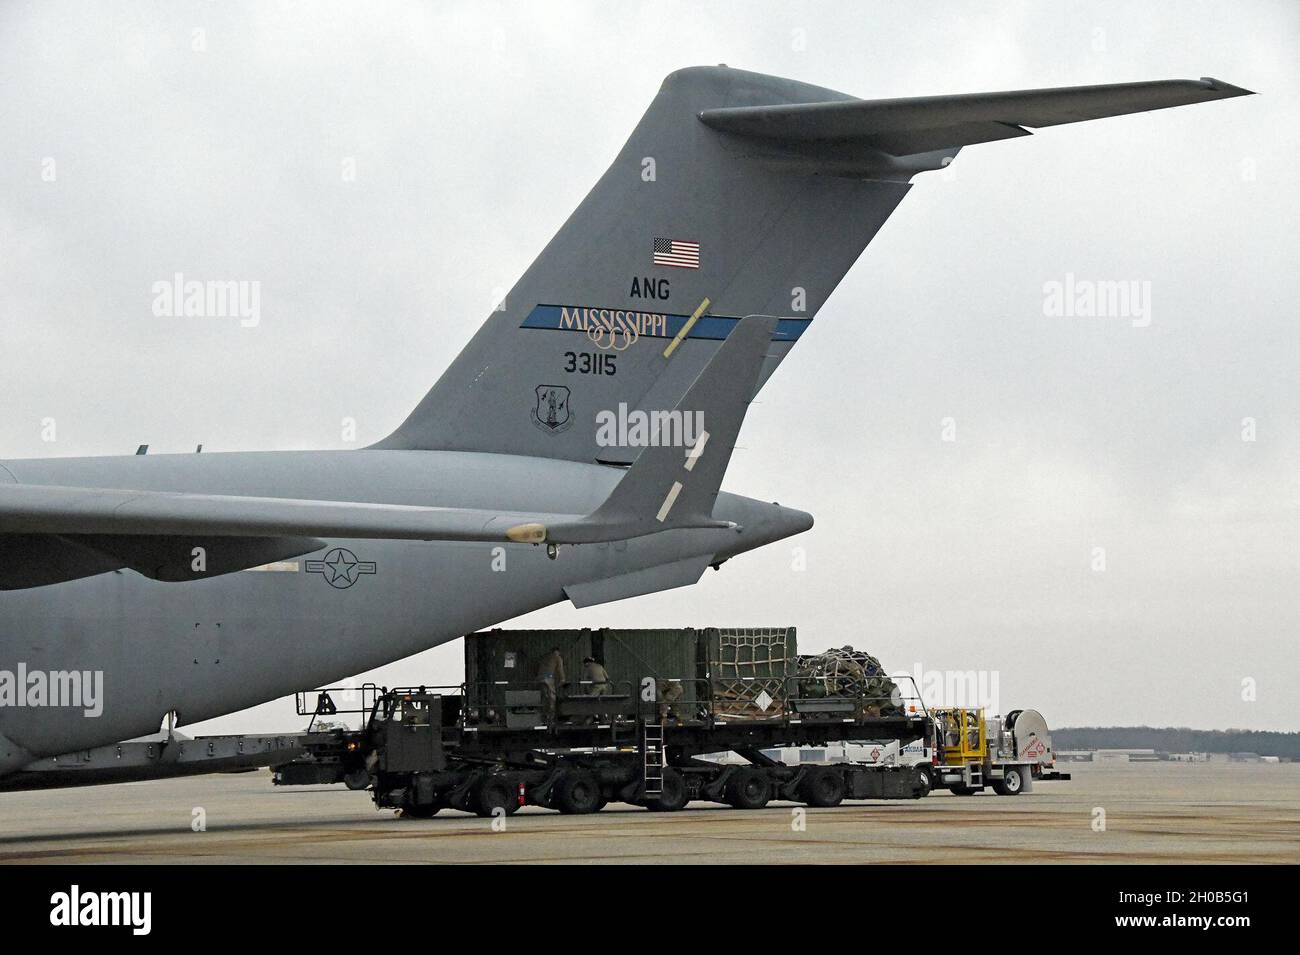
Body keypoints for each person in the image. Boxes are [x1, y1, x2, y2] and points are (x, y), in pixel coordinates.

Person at [535, 646, 565, 722]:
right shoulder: (557, 657)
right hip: (548, 678)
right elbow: (560, 669)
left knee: (544, 697)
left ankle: (542, 717)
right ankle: (551, 718)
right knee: (552, 698)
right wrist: (562, 679)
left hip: (540, 678)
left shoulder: (545, 657)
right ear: (558, 652)